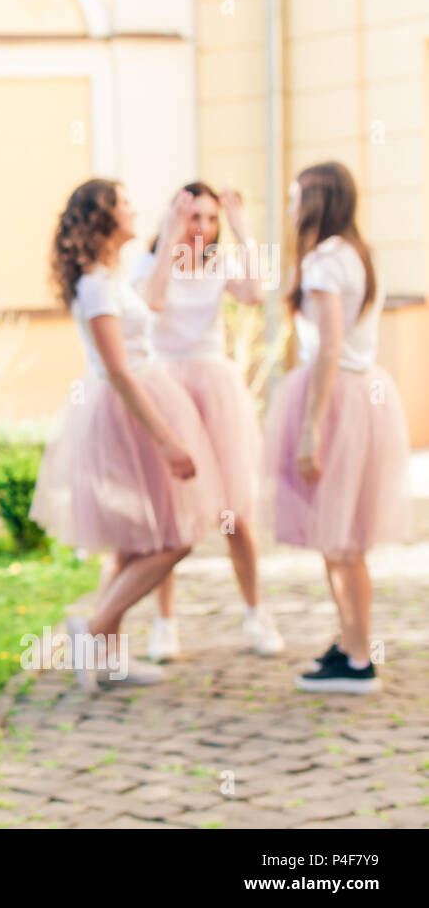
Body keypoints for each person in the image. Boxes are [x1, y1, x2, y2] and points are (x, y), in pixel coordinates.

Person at [30, 179, 224, 690]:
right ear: (103, 218)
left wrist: (171, 231)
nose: (133, 208)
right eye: (124, 204)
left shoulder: (110, 275)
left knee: (135, 543)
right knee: (174, 539)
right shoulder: (95, 283)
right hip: (126, 411)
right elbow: (117, 368)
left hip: (141, 399)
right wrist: (165, 439)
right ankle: (92, 633)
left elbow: (152, 305)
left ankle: (109, 658)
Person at [263, 160, 413, 694]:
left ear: (316, 201)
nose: (288, 207)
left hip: (336, 400)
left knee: (340, 539)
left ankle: (356, 659)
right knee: (344, 536)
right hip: (363, 393)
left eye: (294, 196)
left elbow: (328, 346)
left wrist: (310, 428)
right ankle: (352, 643)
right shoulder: (356, 254)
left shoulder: (326, 260)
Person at [129, 182, 283, 660]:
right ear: (176, 217)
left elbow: (256, 294)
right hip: (167, 387)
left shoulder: (220, 261)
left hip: (215, 387)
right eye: (194, 216)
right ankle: (165, 623)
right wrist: (171, 241)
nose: (203, 227)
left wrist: (243, 231)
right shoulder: (149, 262)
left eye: (210, 219)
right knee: (169, 515)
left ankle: (257, 614)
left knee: (235, 514)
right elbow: (151, 302)